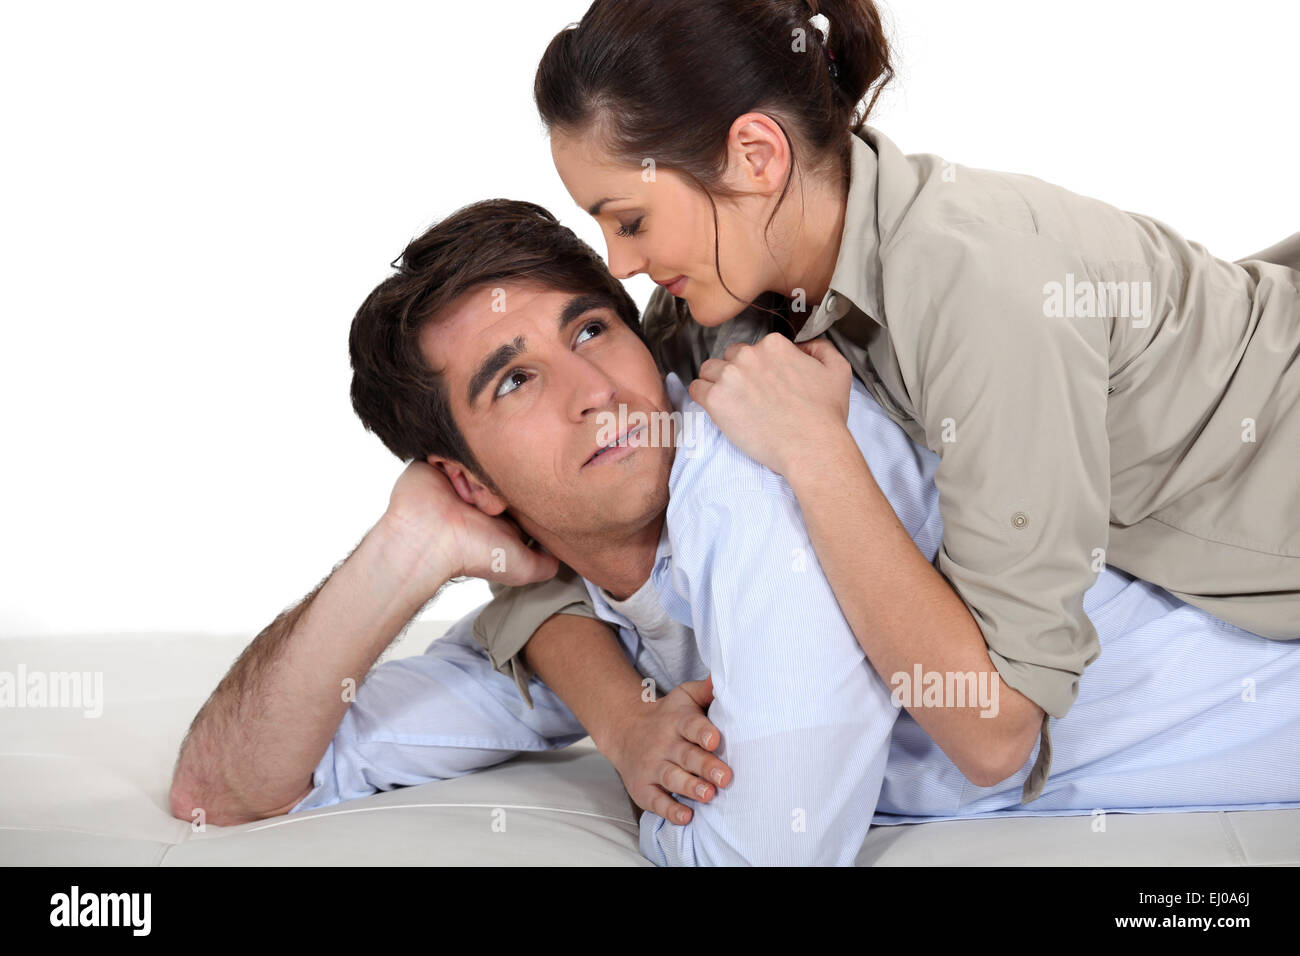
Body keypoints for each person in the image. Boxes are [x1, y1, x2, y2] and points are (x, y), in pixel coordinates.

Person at [169, 200, 1300, 865]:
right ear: (468, 481)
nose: (593, 388)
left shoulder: (758, 469)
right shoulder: (594, 608)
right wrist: (404, 553)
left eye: (592, 328)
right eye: (515, 381)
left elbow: (766, 849)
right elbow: (225, 790)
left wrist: (625, 736)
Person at [477, 0, 1300, 803]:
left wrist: (817, 455)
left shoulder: (978, 291)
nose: (617, 264)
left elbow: (994, 736)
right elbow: (550, 532)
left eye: (629, 219)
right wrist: (624, 722)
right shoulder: (738, 285)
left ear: (756, 156)